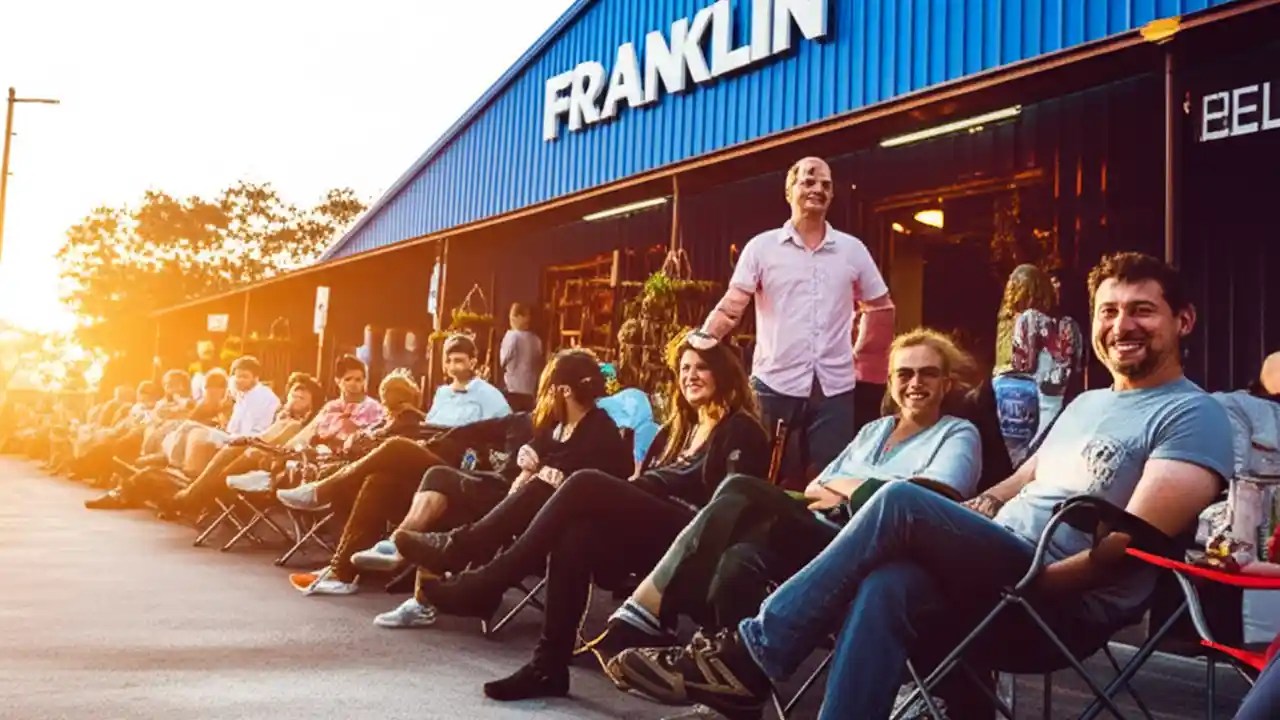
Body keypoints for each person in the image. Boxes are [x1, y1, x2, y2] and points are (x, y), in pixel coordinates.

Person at [615, 251, 1235, 719]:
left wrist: (1028, 586)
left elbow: (1124, 547)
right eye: (1109, 310)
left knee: (900, 500)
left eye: (1142, 311)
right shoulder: (1084, 404)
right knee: (891, 582)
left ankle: (751, 656)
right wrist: (971, 515)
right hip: (999, 572)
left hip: (1054, 603)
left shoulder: (1191, 414)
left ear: (1183, 320)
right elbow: (1016, 482)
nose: (1122, 325)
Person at [601, 329, 982, 681]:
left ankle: (650, 606)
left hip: (875, 547)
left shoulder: (958, 433)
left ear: (946, 383)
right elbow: (816, 485)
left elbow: (933, 497)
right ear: (891, 381)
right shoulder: (873, 431)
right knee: (737, 563)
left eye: (927, 374)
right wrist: (848, 490)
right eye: (904, 374)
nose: (915, 383)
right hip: (819, 532)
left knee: (740, 489)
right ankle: (731, 690)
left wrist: (846, 487)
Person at [417, 334, 770, 702]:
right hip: (650, 537)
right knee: (574, 532)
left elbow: (729, 506)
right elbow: (643, 484)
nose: (691, 375)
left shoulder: (740, 430)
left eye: (702, 367)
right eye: (685, 368)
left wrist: (628, 491)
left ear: (724, 374)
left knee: (583, 482)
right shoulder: (675, 431)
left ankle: (482, 575)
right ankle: (547, 667)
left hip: (695, 541)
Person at [354, 351, 629, 624]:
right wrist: (529, 453)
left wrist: (550, 472)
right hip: (520, 505)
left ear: (564, 391)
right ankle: (433, 573)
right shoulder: (558, 425)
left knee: (526, 489)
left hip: (562, 519)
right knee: (441, 486)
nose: (544, 396)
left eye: (549, 389)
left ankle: (452, 556)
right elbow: (540, 447)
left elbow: (611, 475)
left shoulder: (599, 429)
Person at [689, 157, 894, 486]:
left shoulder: (852, 250)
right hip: (773, 383)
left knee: (831, 479)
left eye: (826, 185)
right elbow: (733, 305)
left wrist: (864, 362)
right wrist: (702, 339)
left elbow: (880, 308)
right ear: (789, 191)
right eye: (809, 182)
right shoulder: (761, 247)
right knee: (763, 477)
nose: (818, 189)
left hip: (835, 388)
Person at [274, 335, 510, 513]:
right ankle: (343, 567)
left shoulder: (488, 394)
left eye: (460, 360)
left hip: (459, 460)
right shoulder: (442, 393)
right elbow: (429, 425)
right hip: (431, 450)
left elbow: (505, 435)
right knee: (377, 481)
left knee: (396, 445)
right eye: (449, 361)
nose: (454, 366)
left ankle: (319, 491)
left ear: (473, 362)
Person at [993, 263, 1084, 465]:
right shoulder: (1071, 325)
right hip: (1062, 402)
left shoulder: (1027, 318)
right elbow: (1077, 367)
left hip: (1025, 401)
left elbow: (1022, 364)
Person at [500, 303, 543, 413]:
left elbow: (503, 360)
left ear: (518, 317)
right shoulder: (537, 340)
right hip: (531, 390)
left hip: (513, 389)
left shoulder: (512, 336)